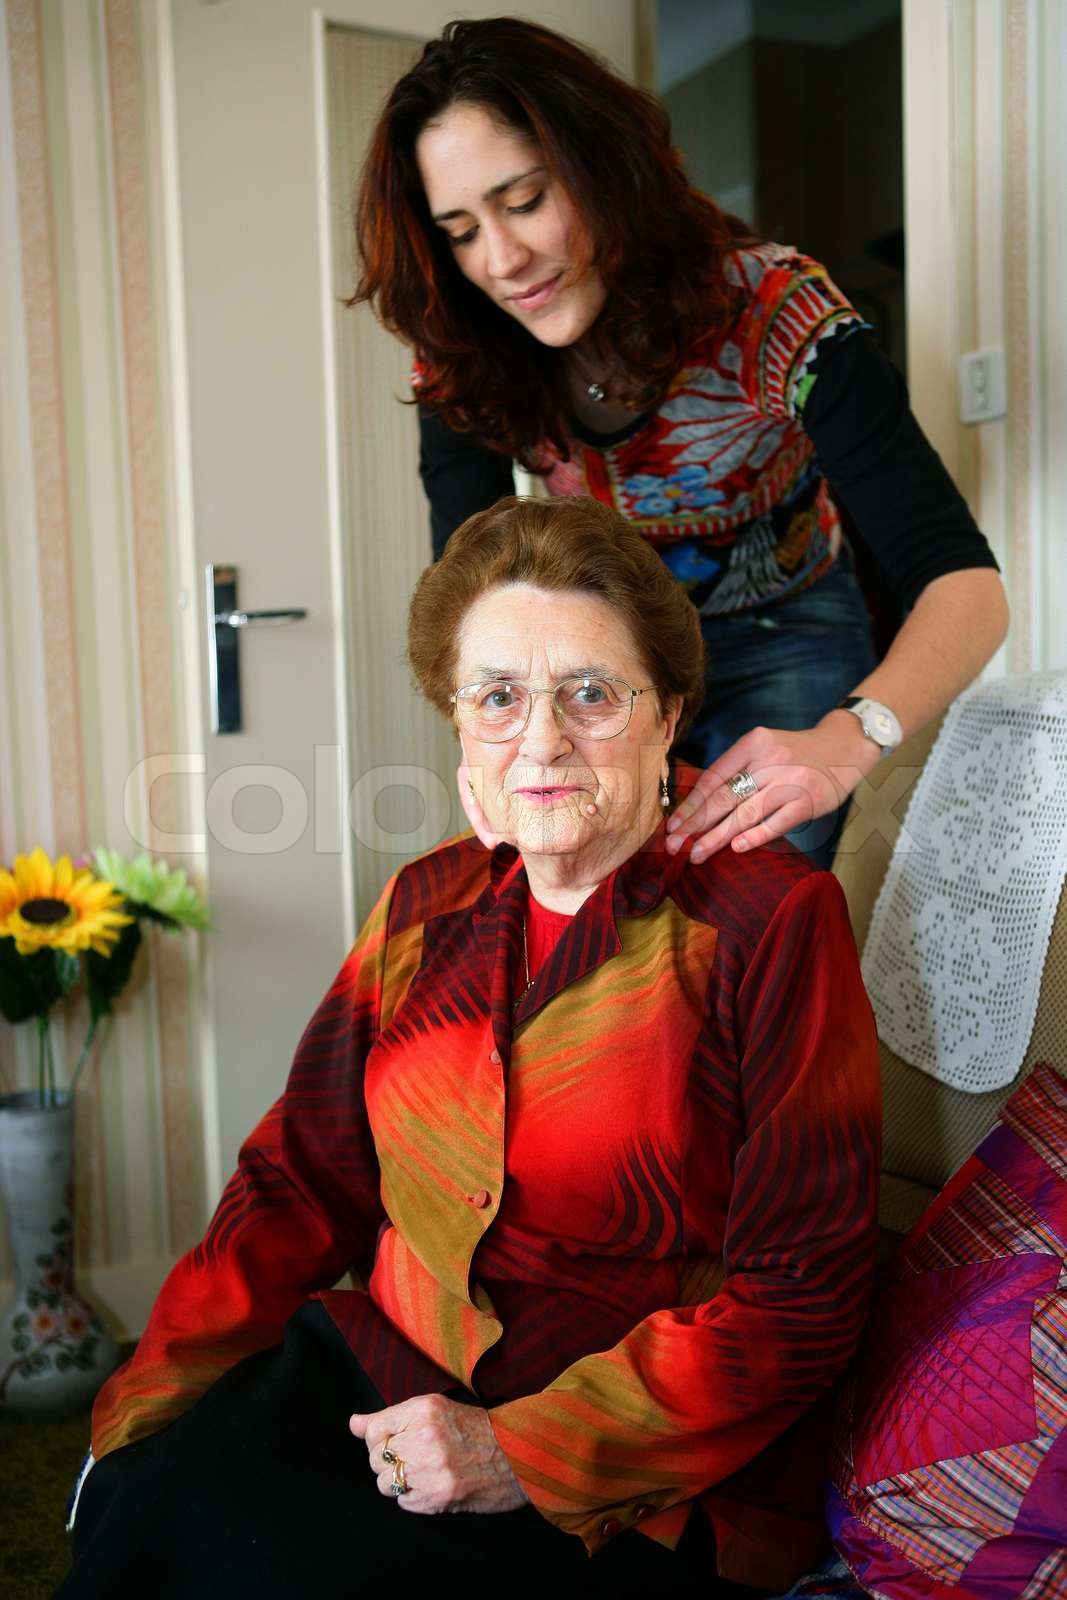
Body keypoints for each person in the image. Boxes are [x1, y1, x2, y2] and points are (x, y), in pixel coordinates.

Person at [60, 498, 881, 1599]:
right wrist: (149, 1393)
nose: (539, 739)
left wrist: (518, 1451)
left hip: (626, 1474)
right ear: (457, 726)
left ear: (667, 712)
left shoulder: (769, 923)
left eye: (589, 694)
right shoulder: (425, 898)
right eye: (496, 698)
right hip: (385, 1373)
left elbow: (801, 1296)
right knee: (151, 1507)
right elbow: (298, 1174)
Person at [353, 16, 1009, 869]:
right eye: (462, 230)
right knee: (599, 897)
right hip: (601, 644)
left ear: (604, 170)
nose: (502, 259)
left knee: (755, 889)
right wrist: (489, 740)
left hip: (786, 626)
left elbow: (966, 586)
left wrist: (847, 740)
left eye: (524, 201)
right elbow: (468, 588)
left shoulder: (777, 311)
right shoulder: (459, 347)